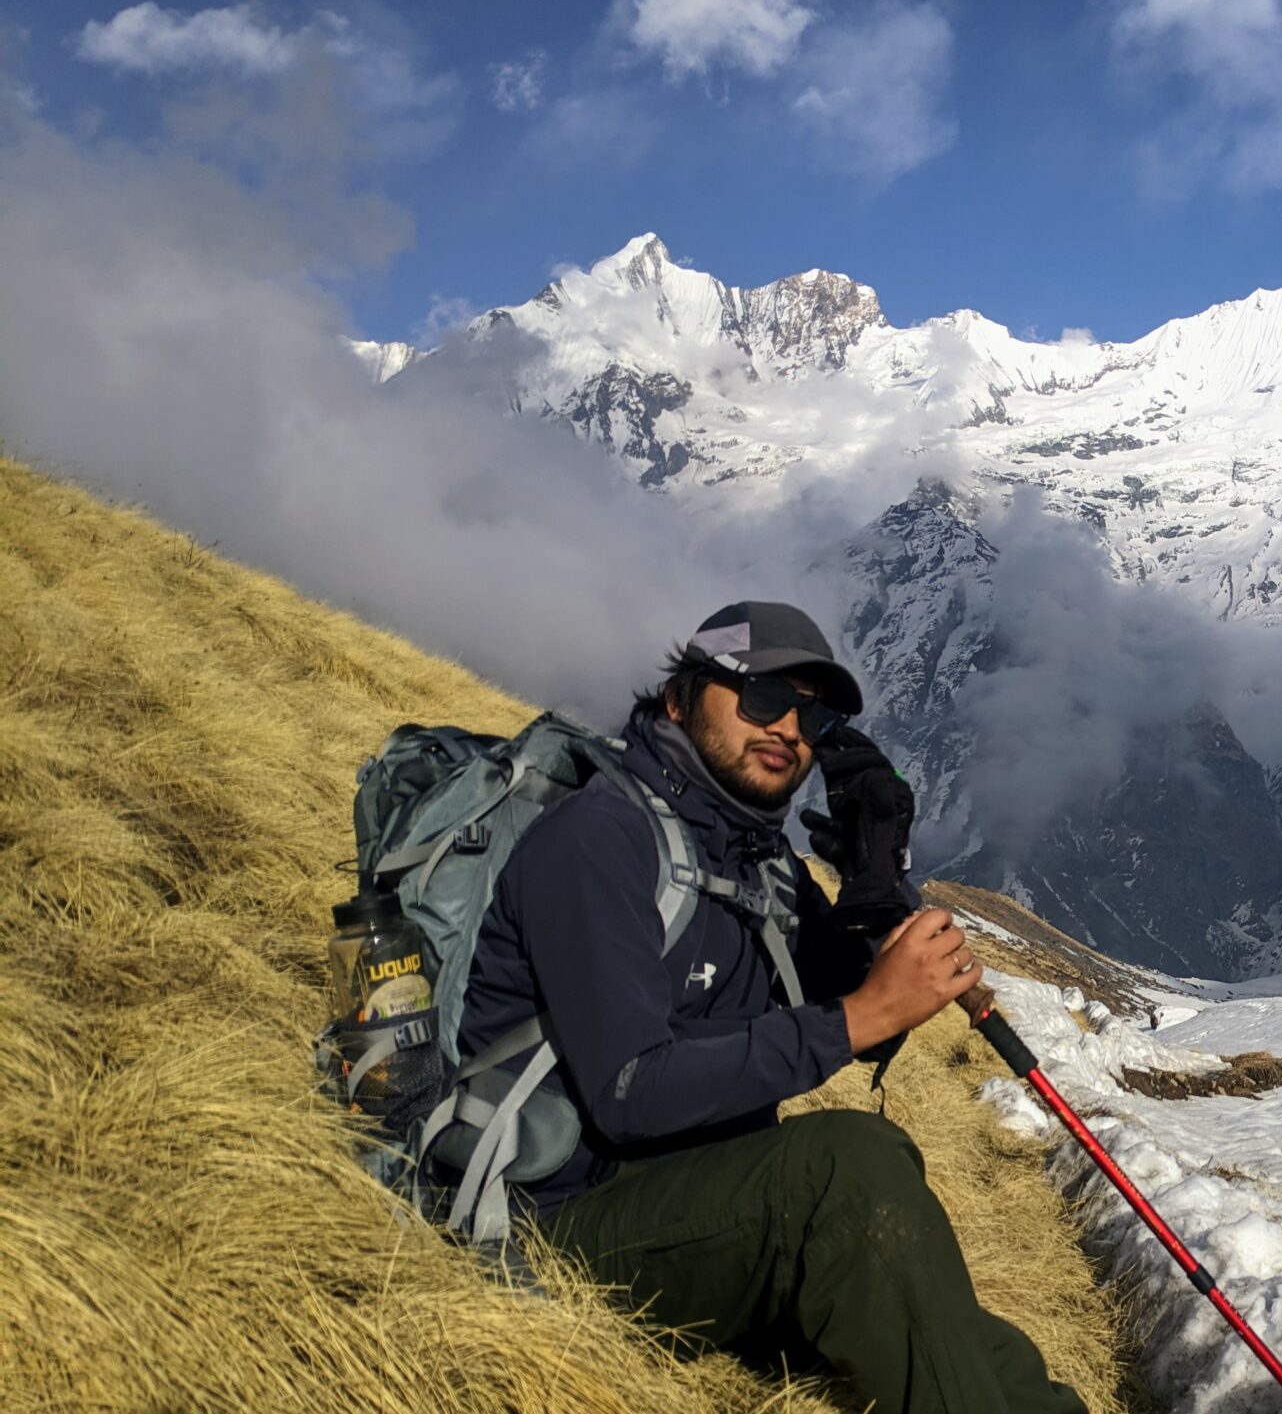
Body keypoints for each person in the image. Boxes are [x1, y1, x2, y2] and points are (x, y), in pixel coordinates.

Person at [455, 600, 1088, 1413]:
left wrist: (877, 883)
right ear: (681, 698)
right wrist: (862, 1013)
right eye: (761, 697)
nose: (789, 726)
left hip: (689, 1198)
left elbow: (845, 988)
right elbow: (630, 1091)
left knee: (968, 1336)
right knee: (846, 1170)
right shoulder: (602, 838)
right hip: (555, 1227)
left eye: (811, 712)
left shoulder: (759, 863)